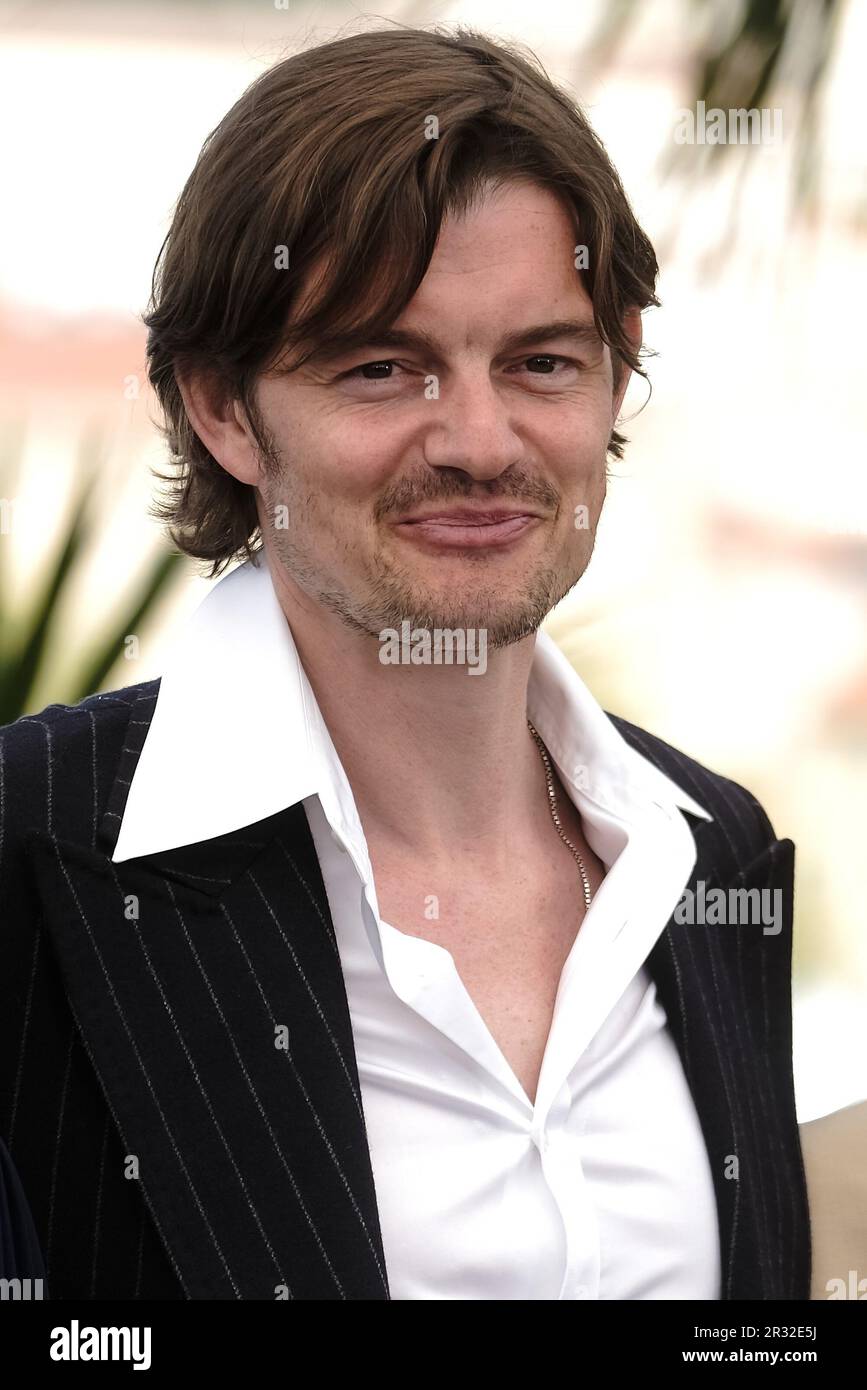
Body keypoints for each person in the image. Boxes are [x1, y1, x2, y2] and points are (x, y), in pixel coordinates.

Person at [0, 25, 810, 1300]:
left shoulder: (709, 850)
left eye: (542, 362)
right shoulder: (30, 853)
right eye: (384, 366)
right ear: (223, 409)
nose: (481, 441)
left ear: (615, 379)